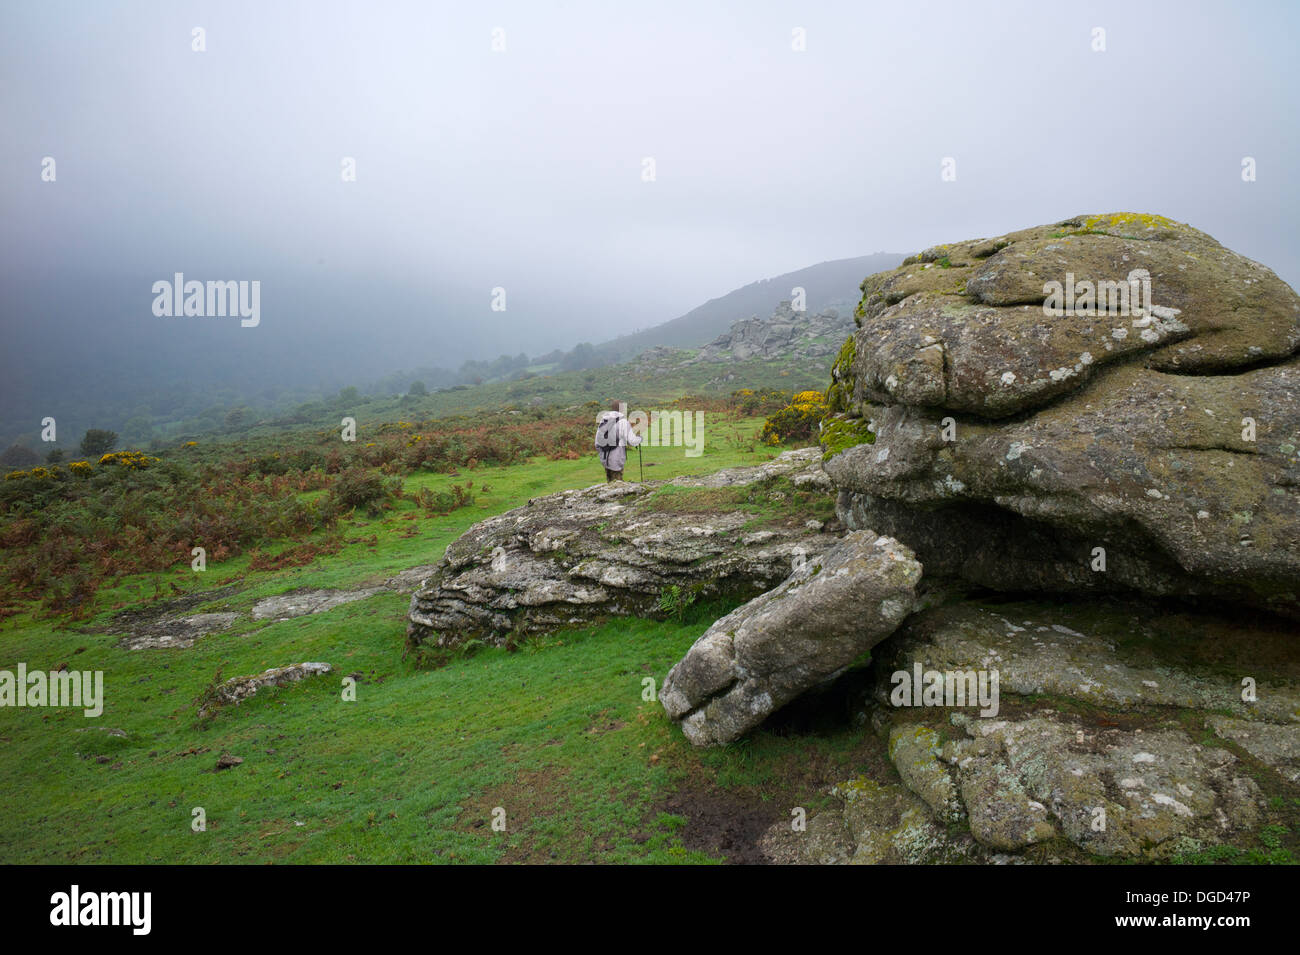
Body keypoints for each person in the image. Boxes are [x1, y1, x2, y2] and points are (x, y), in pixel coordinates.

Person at [594, 400, 641, 482]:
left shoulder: (604, 420)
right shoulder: (623, 422)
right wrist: (639, 439)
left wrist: (603, 454)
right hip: (616, 458)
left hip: (605, 458)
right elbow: (631, 441)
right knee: (617, 484)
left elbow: (597, 442)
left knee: (610, 481)